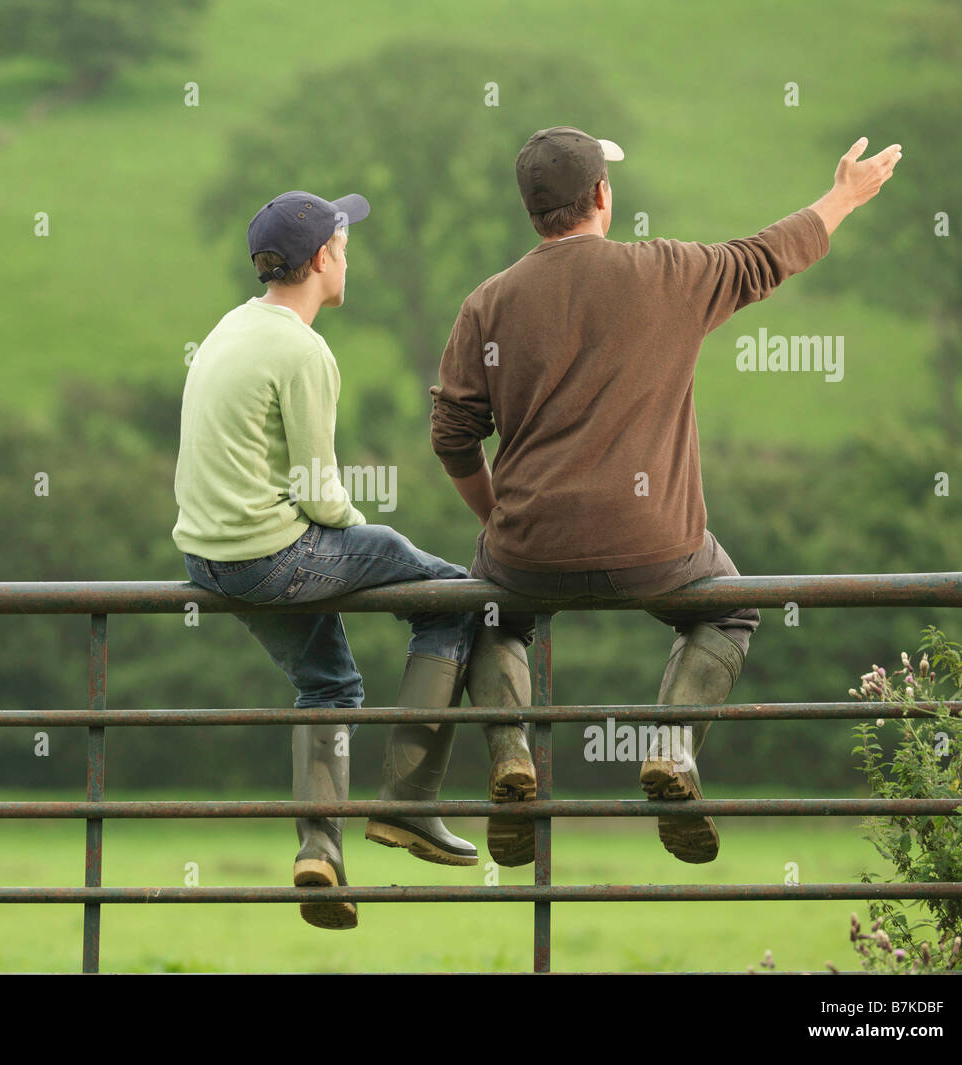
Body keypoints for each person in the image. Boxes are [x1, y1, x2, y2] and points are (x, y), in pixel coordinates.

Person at [435, 128, 902, 864]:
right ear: (601, 196)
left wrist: (497, 519)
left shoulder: (486, 303)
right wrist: (843, 195)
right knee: (733, 607)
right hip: (657, 544)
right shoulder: (669, 272)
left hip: (526, 548)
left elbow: (452, 434)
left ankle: (510, 757)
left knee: (486, 612)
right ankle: (674, 750)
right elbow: (763, 257)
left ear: (532, 211)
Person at [172, 190, 533, 929]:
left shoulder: (230, 326)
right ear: (322, 259)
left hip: (206, 556)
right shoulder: (303, 349)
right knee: (450, 592)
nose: (350, 254)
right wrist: (365, 542)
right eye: (344, 241)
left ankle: (320, 850)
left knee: (329, 684)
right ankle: (407, 801)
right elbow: (320, 493)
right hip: (268, 554)